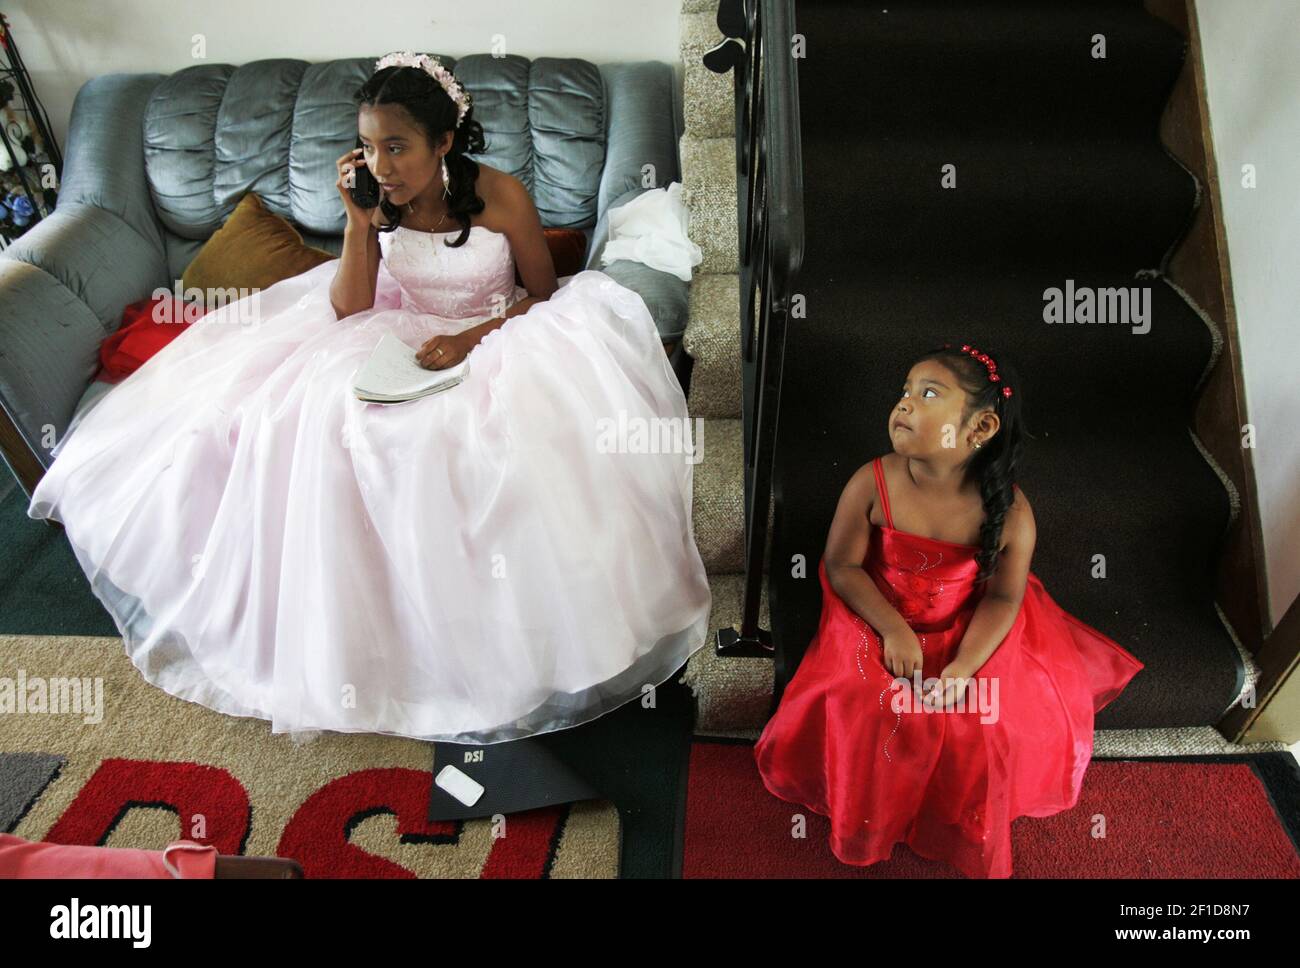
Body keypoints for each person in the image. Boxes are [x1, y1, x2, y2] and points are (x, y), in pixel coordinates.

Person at [27, 51, 711, 745]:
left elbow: (541, 295)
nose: (382, 165)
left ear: (444, 142)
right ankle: (360, 641)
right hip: (389, 330)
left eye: (397, 147)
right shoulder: (375, 199)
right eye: (369, 146)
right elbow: (351, 309)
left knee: (461, 443)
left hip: (499, 335)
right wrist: (357, 223)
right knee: (316, 424)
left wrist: (471, 339)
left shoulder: (501, 195)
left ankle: (474, 649)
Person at [753, 342, 1144, 879]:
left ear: (979, 428)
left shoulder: (1011, 513)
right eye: (905, 391)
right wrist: (892, 629)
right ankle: (872, 806)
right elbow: (842, 565)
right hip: (874, 616)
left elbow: (1004, 596)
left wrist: (963, 668)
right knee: (867, 700)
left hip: (965, 627)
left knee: (981, 718)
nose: (904, 404)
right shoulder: (874, 481)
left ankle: (937, 809)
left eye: (928, 393)